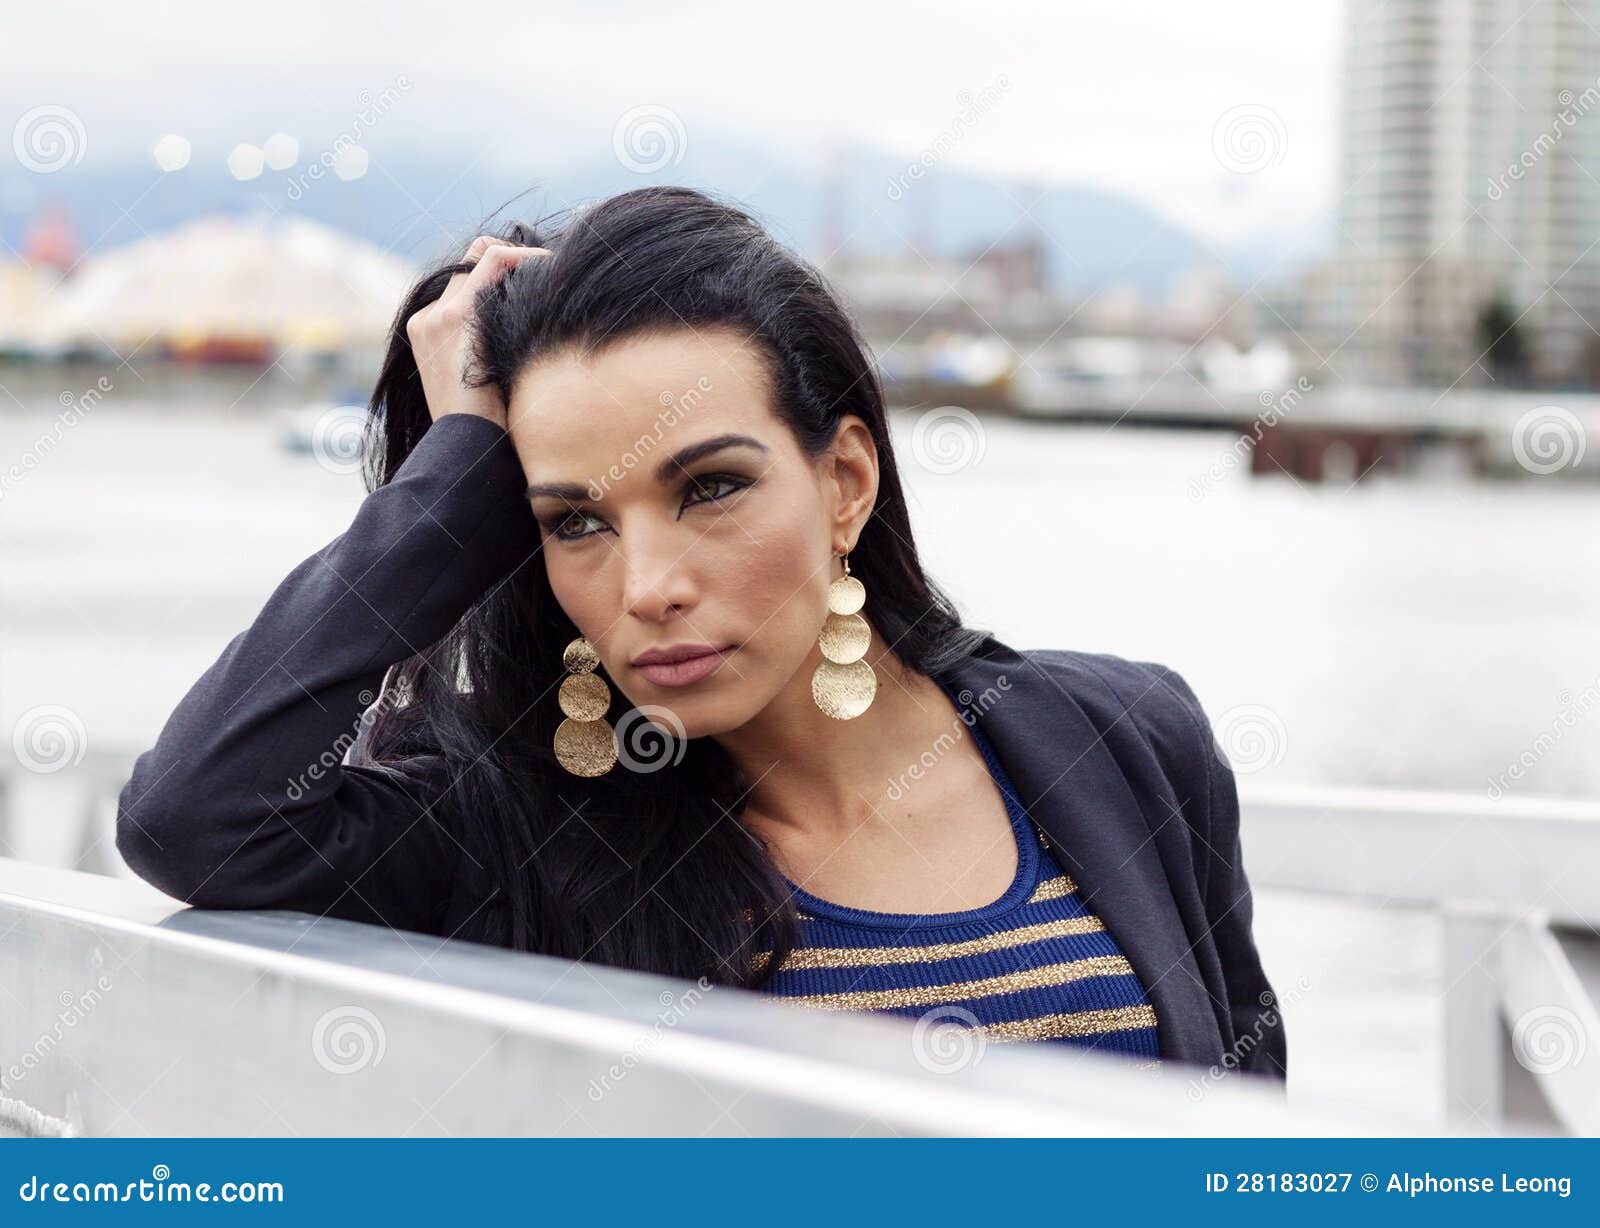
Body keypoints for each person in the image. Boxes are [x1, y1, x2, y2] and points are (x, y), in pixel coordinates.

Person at [116, 186, 1285, 1082]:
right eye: (574, 520)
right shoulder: (514, 826)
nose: (648, 585)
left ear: (842, 479)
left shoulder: (1127, 740)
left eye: (710, 488)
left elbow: (1241, 1123)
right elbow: (199, 814)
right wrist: (460, 473)